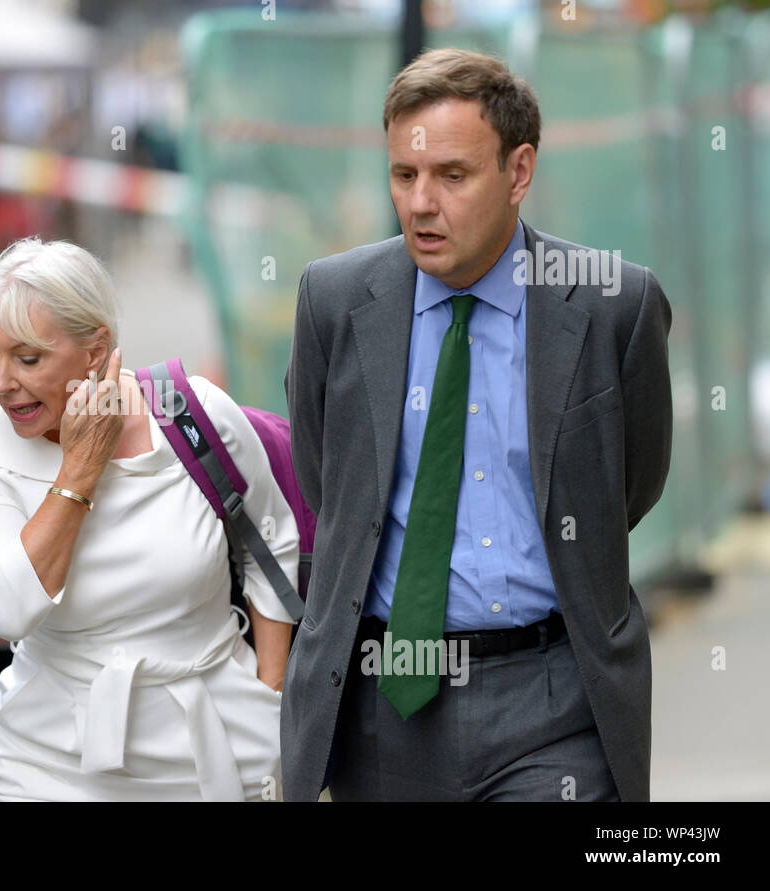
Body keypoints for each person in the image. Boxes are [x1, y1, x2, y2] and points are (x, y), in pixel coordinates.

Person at [282, 48, 672, 802]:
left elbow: (630, 483)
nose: (422, 203)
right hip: (384, 696)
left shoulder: (612, 305)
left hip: (555, 700)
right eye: (404, 176)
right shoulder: (332, 300)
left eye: (452, 176)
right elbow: (329, 480)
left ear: (518, 172)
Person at [0, 237, 299, 801]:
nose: (1, 382)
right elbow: (6, 609)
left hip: (214, 743)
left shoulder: (195, 414)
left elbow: (272, 540)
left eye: (28, 358)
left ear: (96, 350)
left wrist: (272, 691)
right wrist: (81, 470)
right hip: (48, 760)